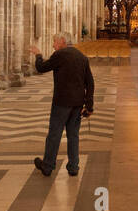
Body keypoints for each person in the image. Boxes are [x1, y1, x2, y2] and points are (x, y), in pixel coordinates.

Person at [29, 32, 94, 177]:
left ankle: (48, 165)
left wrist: (38, 55)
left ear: (62, 41)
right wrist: (89, 106)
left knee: (54, 134)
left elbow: (41, 68)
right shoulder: (82, 57)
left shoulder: (60, 55)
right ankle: (73, 167)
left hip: (62, 103)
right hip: (77, 103)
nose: (53, 45)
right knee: (73, 135)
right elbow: (90, 83)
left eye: (54, 42)